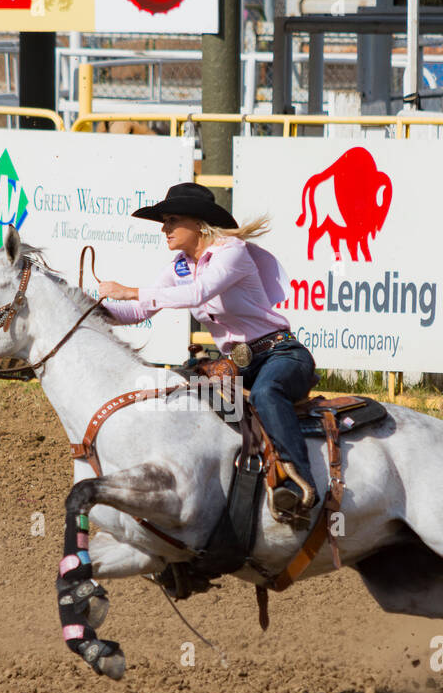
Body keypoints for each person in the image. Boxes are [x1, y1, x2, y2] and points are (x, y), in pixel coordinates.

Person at [97, 183, 319, 526]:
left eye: (172, 219)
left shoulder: (232, 251)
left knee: (267, 392)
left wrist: (128, 290)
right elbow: (140, 311)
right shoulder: (180, 266)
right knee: (176, 390)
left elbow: (198, 293)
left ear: (199, 224)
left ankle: (299, 483)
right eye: (164, 221)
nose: (164, 228)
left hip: (282, 354)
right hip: (239, 362)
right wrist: (95, 310)